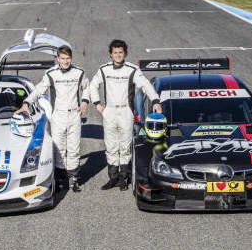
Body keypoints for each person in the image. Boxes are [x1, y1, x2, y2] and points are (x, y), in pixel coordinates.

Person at [88, 40, 161, 191]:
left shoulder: (132, 69)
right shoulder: (104, 69)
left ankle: (123, 179)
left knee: (125, 146)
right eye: (115, 52)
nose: (118, 55)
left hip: (126, 112)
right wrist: (97, 104)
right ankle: (112, 178)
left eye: (121, 52)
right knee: (111, 145)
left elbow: (146, 85)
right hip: (109, 111)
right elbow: (93, 85)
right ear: (111, 54)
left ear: (125, 53)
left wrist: (155, 101)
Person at [16, 45, 89, 193]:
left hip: (74, 115)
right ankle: (61, 180)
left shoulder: (79, 72)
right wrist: (26, 103)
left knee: (74, 148)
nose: (65, 61)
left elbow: (87, 87)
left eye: (68, 58)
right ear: (57, 59)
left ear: (71, 58)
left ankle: (73, 179)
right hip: (58, 115)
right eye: (62, 58)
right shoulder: (51, 73)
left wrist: (85, 101)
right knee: (59, 149)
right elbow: (38, 90)